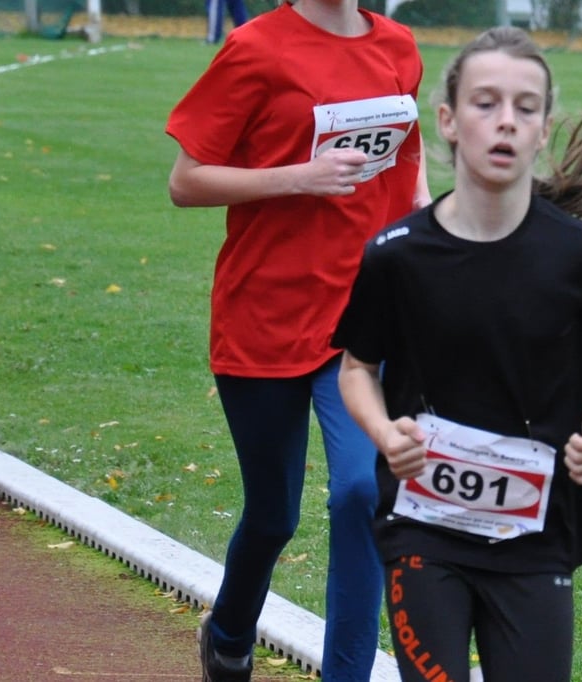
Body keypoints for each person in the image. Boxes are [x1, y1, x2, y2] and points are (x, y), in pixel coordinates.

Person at [333, 26, 582, 682]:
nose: (505, 121)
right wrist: (385, 434)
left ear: (542, 129)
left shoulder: (580, 254)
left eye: (525, 108)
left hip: (535, 532)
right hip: (424, 527)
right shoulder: (397, 256)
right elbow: (356, 368)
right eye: (485, 103)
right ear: (448, 120)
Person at [166, 1, 431, 680]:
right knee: (272, 515)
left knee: (361, 492)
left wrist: (428, 226)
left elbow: (408, 152)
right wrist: (299, 178)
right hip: (265, 314)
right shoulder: (255, 47)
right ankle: (229, 633)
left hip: (364, 318)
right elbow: (186, 182)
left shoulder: (398, 45)